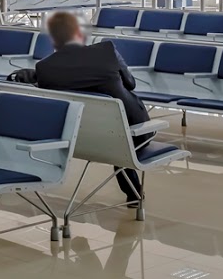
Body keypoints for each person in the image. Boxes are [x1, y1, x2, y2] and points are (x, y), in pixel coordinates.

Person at [34, 11, 150, 206]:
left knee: (111, 131)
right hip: (133, 134)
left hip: (80, 139)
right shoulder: (106, 50)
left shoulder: (44, 69)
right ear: (79, 33)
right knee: (117, 133)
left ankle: (133, 192)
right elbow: (130, 84)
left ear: (53, 39)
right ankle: (133, 194)